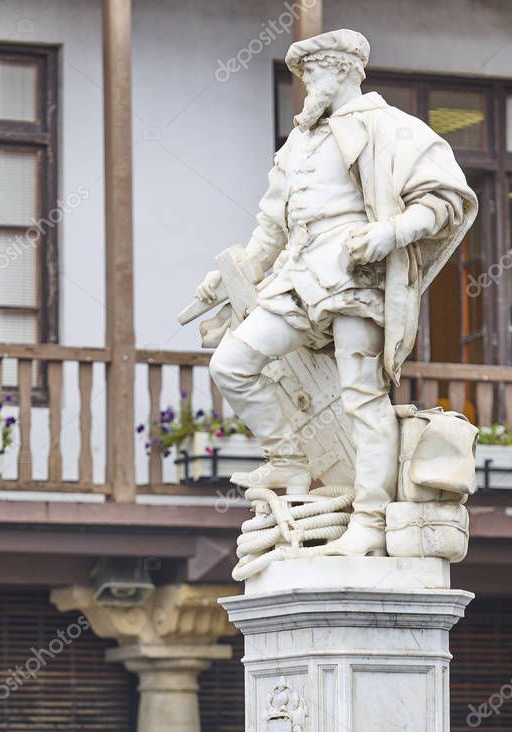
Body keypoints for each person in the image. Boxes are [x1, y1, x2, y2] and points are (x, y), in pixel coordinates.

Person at [196, 29, 477, 556]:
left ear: (347, 70)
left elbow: (444, 201)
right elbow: (271, 225)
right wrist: (238, 269)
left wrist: (388, 233)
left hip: (356, 276)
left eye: (316, 72)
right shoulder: (300, 139)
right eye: (303, 77)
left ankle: (369, 522)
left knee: (362, 398)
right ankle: (289, 461)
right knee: (231, 364)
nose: (307, 86)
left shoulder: (393, 128)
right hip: (298, 276)